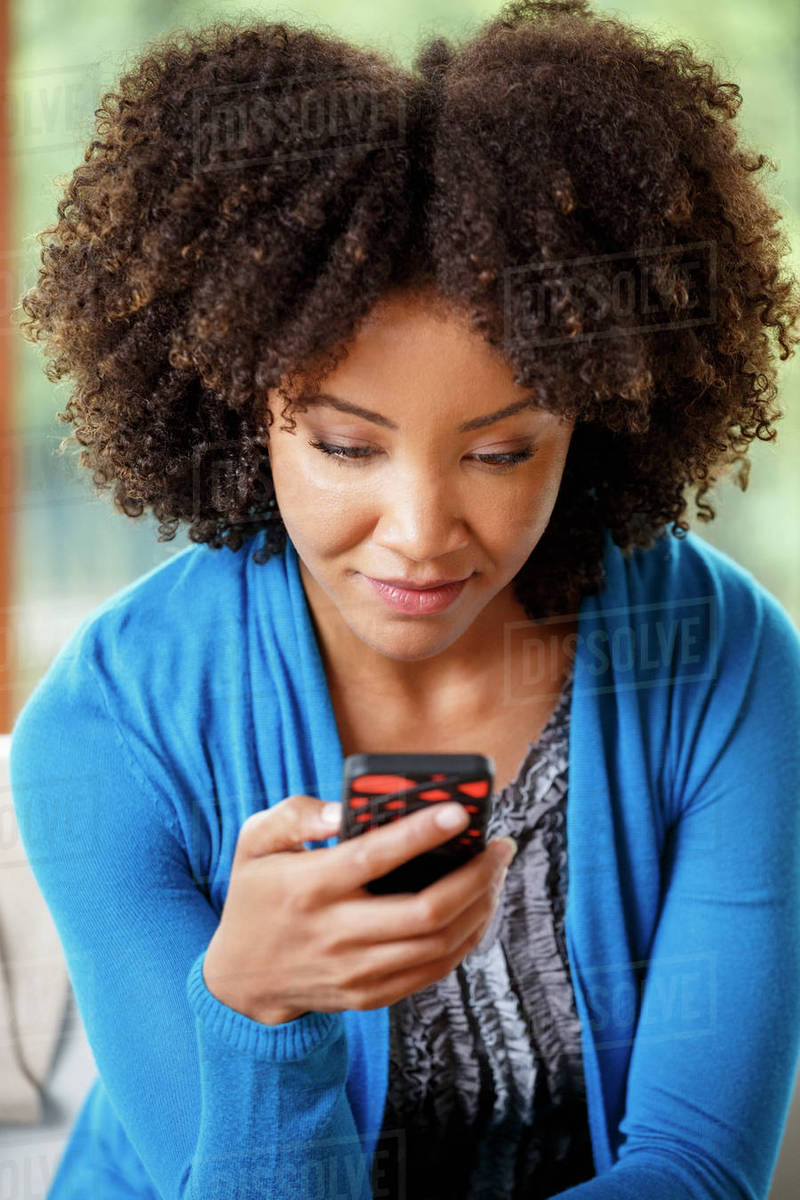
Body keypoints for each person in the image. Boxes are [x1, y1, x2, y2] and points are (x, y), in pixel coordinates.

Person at [9, 1, 800, 1197]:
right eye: (342, 446)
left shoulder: (723, 662)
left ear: (592, 418)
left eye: (498, 453)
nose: (423, 537)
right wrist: (257, 1010)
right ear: (242, 410)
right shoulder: (102, 732)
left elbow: (693, 1170)